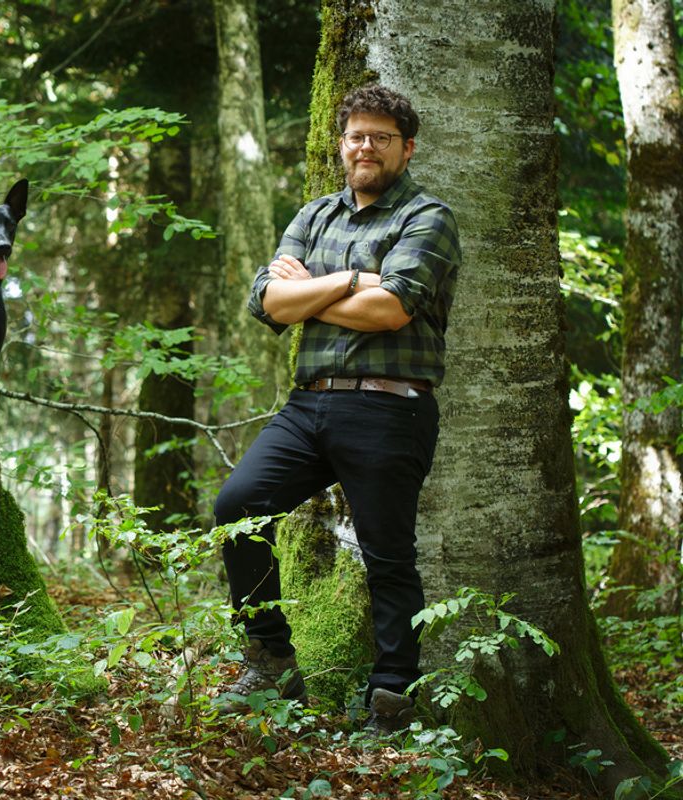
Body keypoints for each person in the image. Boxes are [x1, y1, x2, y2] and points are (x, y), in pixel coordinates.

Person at [213, 84, 461, 731]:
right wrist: (354, 279)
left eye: (382, 137)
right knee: (236, 508)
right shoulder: (315, 216)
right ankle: (272, 661)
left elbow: (394, 308)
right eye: (357, 135)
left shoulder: (426, 219)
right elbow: (267, 302)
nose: (366, 147)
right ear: (341, 142)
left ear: (406, 148)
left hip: (390, 410)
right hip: (308, 407)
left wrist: (312, 293)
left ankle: (391, 702)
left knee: (386, 557)